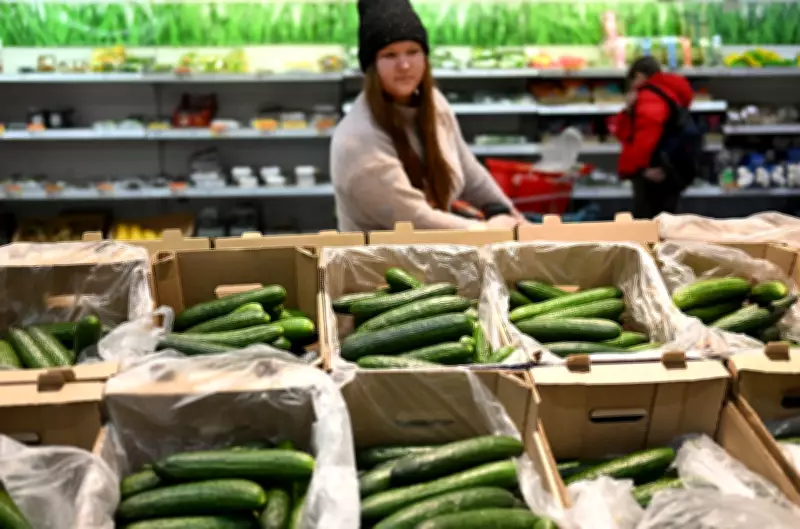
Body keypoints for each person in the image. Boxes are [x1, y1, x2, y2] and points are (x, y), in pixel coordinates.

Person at [331, 0, 521, 232]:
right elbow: (414, 219)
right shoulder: (357, 139)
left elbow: (471, 174)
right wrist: (491, 231)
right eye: (390, 55)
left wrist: (514, 219)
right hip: (380, 263)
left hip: (434, 253)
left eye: (413, 52)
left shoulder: (435, 104)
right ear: (372, 67)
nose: (404, 65)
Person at [613, 56, 699, 219]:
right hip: (670, 168)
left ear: (638, 76)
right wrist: (629, 110)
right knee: (666, 221)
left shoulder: (650, 96)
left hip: (653, 172)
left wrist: (640, 168)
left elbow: (646, 136)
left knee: (647, 226)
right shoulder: (668, 92)